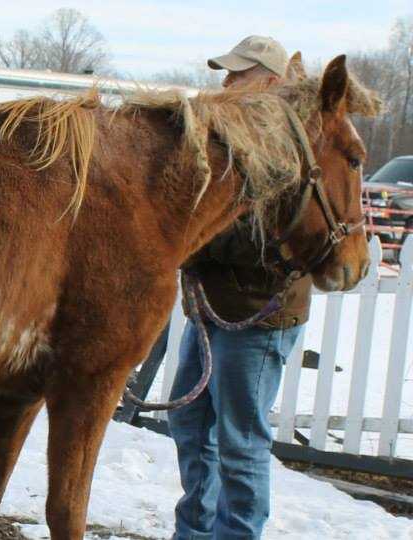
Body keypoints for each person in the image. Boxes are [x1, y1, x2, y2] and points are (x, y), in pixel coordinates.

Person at [167, 36, 310, 540]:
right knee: (188, 425)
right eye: (226, 74)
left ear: (271, 81)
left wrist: (187, 239)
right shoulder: (232, 137)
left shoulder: (291, 150)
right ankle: (196, 532)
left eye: (238, 75)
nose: (225, 84)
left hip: (258, 315)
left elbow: (272, 242)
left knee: (240, 441)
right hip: (212, 309)